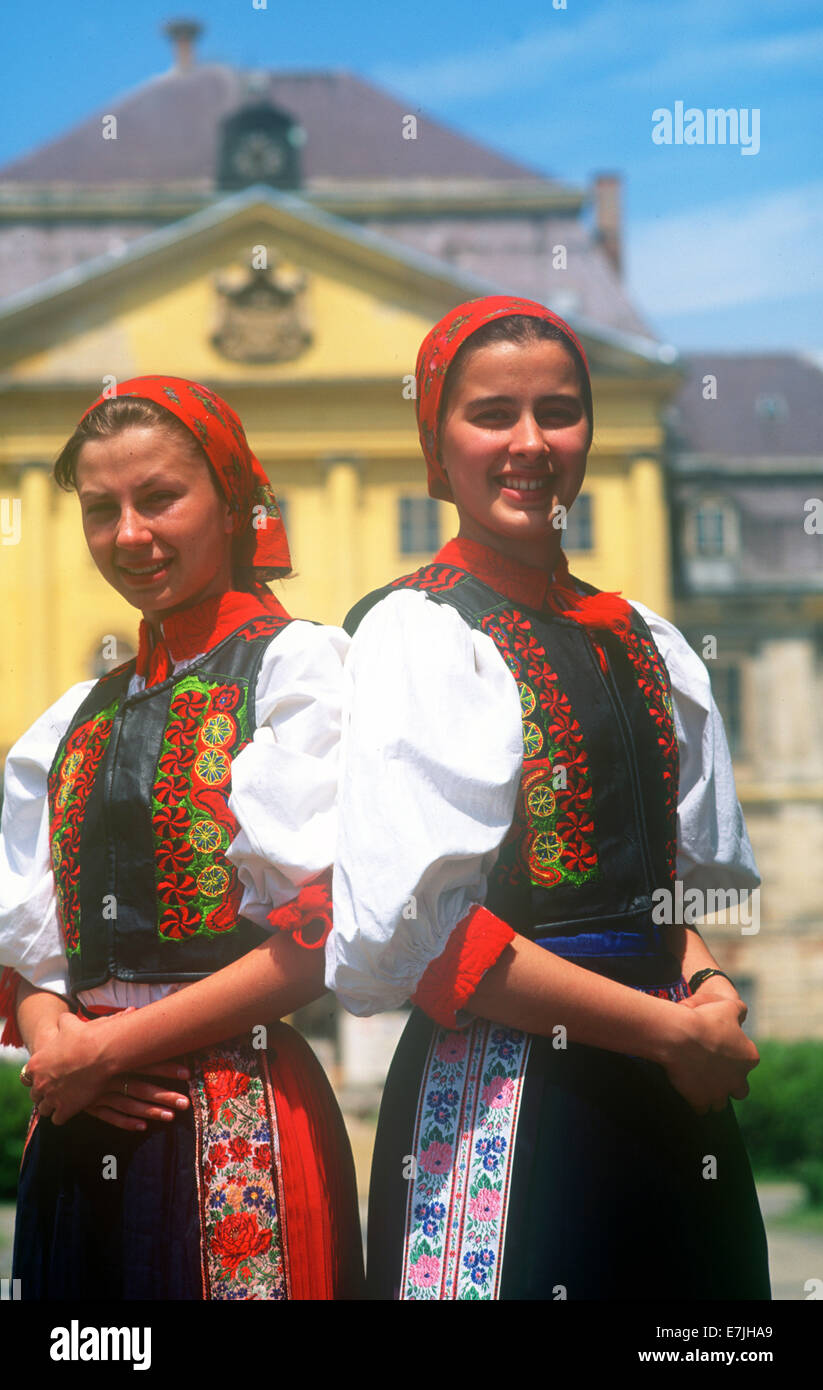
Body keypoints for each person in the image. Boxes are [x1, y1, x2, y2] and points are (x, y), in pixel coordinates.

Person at [326, 296, 771, 1300]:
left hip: (674, 1077)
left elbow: (669, 890)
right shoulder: (414, 633)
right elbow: (435, 943)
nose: (529, 442)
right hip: (504, 1093)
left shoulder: (642, 638)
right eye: (491, 415)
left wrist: (704, 987)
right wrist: (669, 1031)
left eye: (558, 411)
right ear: (435, 451)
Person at [0, 376, 363, 1300]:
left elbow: (319, 939)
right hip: (79, 1117)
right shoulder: (70, 721)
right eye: (99, 510)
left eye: (159, 497)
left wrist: (110, 1050)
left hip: (234, 1114)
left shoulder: (299, 672)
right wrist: (59, 1042)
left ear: (234, 502)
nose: (129, 535)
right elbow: (29, 957)